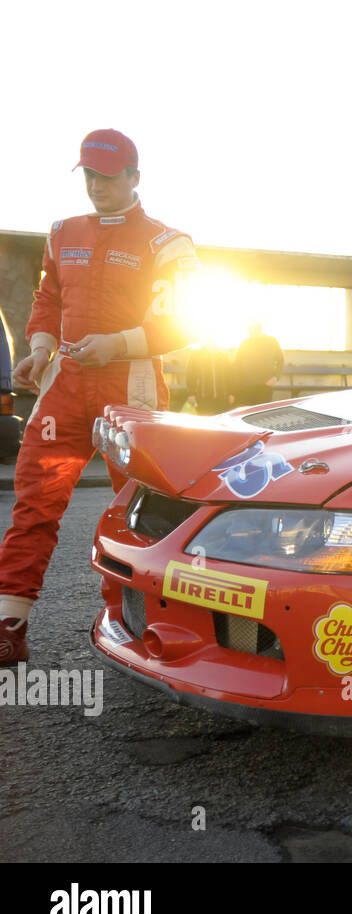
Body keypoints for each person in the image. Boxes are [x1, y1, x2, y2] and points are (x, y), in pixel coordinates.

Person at [0, 129, 200, 664]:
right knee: (33, 505)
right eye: (88, 173)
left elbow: (185, 322)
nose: (96, 184)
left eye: (107, 175)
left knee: (139, 516)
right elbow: (48, 297)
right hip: (62, 387)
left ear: (134, 176)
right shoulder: (63, 231)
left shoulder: (166, 242)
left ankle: (135, 626)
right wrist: (39, 350)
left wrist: (116, 343)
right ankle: (8, 626)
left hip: (129, 390)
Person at [234, 320, 283, 406]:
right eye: (249, 328)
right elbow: (237, 363)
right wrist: (237, 384)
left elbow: (280, 360)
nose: (250, 330)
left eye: (253, 327)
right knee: (247, 413)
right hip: (246, 385)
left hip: (265, 385)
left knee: (262, 414)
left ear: (259, 328)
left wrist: (275, 378)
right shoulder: (244, 342)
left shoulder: (271, 341)